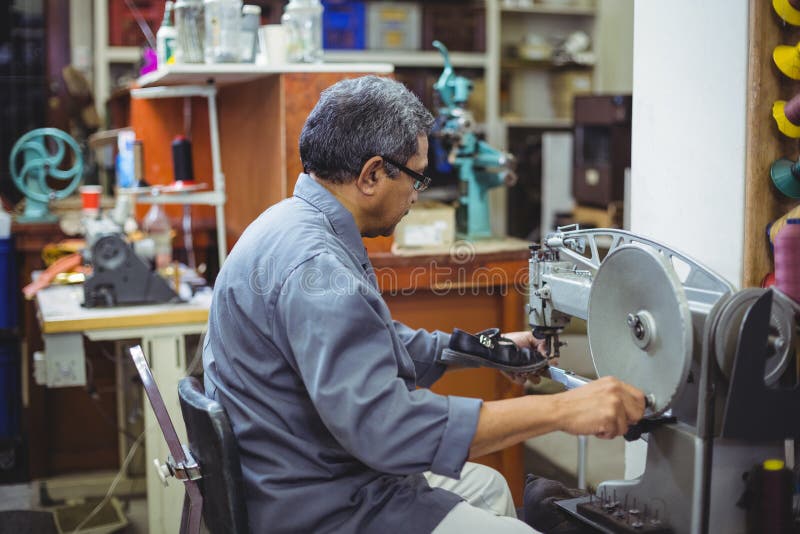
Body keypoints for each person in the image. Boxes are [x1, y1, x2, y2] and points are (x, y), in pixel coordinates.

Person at [203, 75, 646, 533]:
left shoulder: (289, 223)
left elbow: (372, 344)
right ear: (372, 174)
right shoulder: (319, 266)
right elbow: (388, 430)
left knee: (491, 488)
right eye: (416, 176)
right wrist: (564, 411)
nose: (417, 194)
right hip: (322, 504)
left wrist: (483, 350)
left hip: (298, 470)